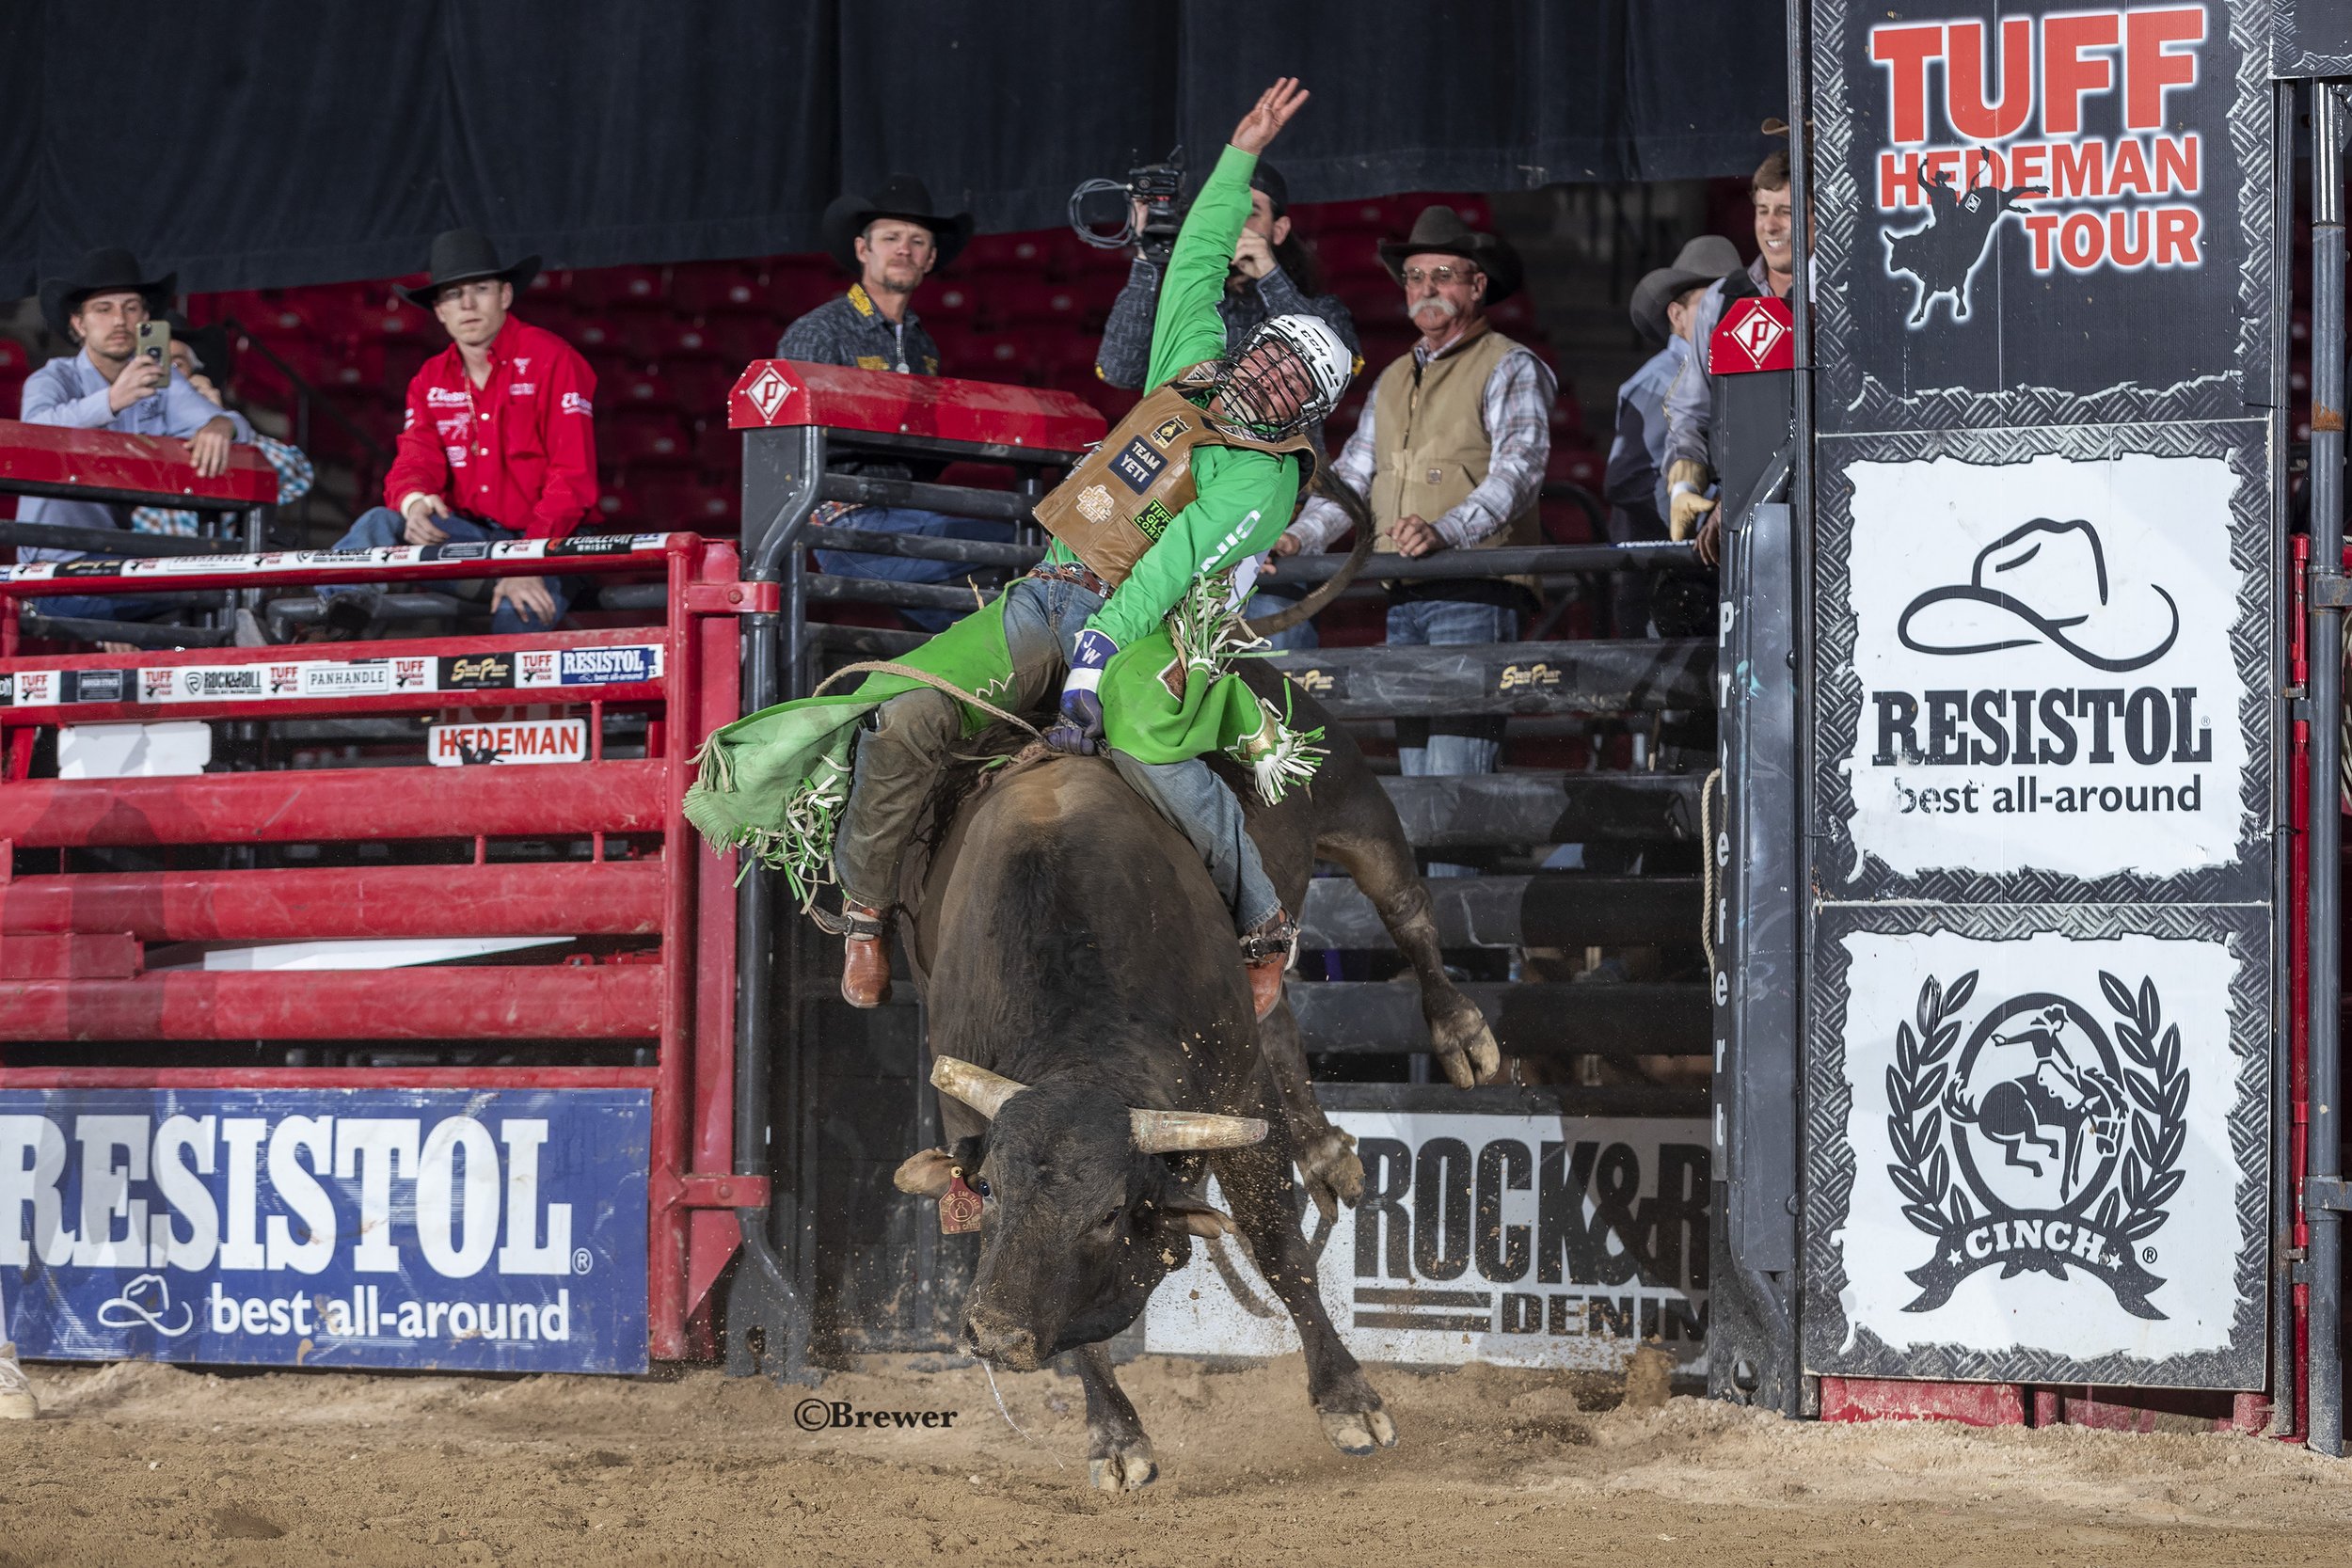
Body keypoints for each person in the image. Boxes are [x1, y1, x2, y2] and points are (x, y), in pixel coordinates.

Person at [687, 78, 1353, 1021]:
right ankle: (866, 908)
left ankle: (1260, 920)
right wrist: (1236, 155)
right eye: (1271, 357)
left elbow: (1175, 563)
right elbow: (1200, 260)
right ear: (1252, 352)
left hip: (1150, 626)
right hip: (1049, 592)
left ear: (1304, 409)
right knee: (905, 712)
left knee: (1152, 740)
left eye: (1292, 380)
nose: (1269, 377)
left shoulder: (1268, 473)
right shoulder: (1187, 372)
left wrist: (1095, 659)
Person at [1279, 204, 1555, 873]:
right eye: (1413, 277)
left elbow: (1519, 470)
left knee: (1454, 780)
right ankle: (1443, 949)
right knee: (1421, 784)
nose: (1425, 289)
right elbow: (1354, 476)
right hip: (1408, 591)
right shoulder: (1394, 377)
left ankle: (1461, 952)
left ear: (1476, 284)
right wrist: (1297, 540)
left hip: (1475, 586)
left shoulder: (1510, 365)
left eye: (1442, 274)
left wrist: (1447, 529)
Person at [1094, 160, 1358, 652]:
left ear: (1280, 229)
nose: (1236, 224)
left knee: (1262, 686)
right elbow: (1119, 368)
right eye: (1227, 213)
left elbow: (1341, 362)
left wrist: (1270, 277)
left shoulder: (1318, 305)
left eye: (1251, 212)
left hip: (1266, 534)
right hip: (1161, 525)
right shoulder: (1193, 301)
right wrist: (1152, 257)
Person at [313, 230, 597, 638]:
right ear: (439, 312)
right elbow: (414, 460)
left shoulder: (553, 359)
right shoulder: (430, 378)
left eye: (480, 289)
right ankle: (333, 626)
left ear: (504, 296)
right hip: (474, 542)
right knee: (383, 520)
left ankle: (504, 677)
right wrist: (414, 505)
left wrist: (528, 564)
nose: (467, 304)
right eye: (452, 295)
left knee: (516, 617)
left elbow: (572, 479)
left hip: (551, 545)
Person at [776, 176, 1005, 633]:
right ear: (863, 249)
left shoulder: (924, 347)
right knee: (1020, 544)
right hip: (845, 523)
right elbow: (787, 441)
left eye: (918, 240)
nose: (904, 249)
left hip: (908, 517)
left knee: (976, 621)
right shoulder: (820, 332)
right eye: (891, 238)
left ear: (931, 258)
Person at [17, 248, 254, 627]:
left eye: (131, 308)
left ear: (146, 318)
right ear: (78, 324)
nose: (119, 321)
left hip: (120, 560)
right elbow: (34, 433)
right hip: (56, 570)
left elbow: (230, 426)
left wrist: (221, 425)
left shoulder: (160, 379)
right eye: (103, 309)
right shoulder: (52, 378)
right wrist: (111, 401)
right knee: (213, 590)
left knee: (217, 586)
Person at [1662, 148, 1795, 568]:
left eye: (1786, 211)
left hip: (1823, 508)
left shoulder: (1840, 295)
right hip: (1738, 521)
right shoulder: (1722, 299)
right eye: (1762, 210)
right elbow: (1691, 406)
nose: (1770, 224)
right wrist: (1685, 486)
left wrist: (1742, 495)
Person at [1607, 236, 1740, 639]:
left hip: (1691, 576)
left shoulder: (1725, 379)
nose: (1723, 315)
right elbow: (1628, 479)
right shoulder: (1658, 380)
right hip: (1665, 580)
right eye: (1710, 304)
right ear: (1677, 315)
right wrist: (1705, 514)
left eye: (1730, 305)